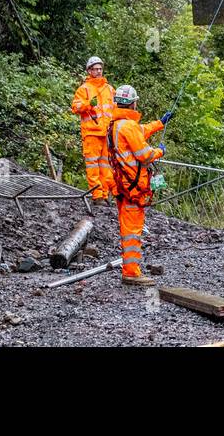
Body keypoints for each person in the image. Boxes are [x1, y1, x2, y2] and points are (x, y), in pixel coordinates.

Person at [105, 85, 172, 288]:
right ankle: (131, 272)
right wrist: (159, 151)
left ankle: (131, 270)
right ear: (134, 103)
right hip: (133, 188)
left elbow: (142, 131)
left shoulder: (115, 125)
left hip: (122, 186)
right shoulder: (128, 126)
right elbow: (145, 154)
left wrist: (159, 123)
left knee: (129, 230)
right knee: (132, 232)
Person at [71, 56, 115, 205]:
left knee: (106, 166)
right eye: (95, 69)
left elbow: (116, 109)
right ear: (89, 71)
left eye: (100, 68)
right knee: (93, 166)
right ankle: (97, 196)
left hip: (106, 133)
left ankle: (105, 194)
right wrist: (88, 104)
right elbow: (75, 107)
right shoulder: (84, 89)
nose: (98, 71)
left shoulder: (109, 89)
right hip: (91, 133)